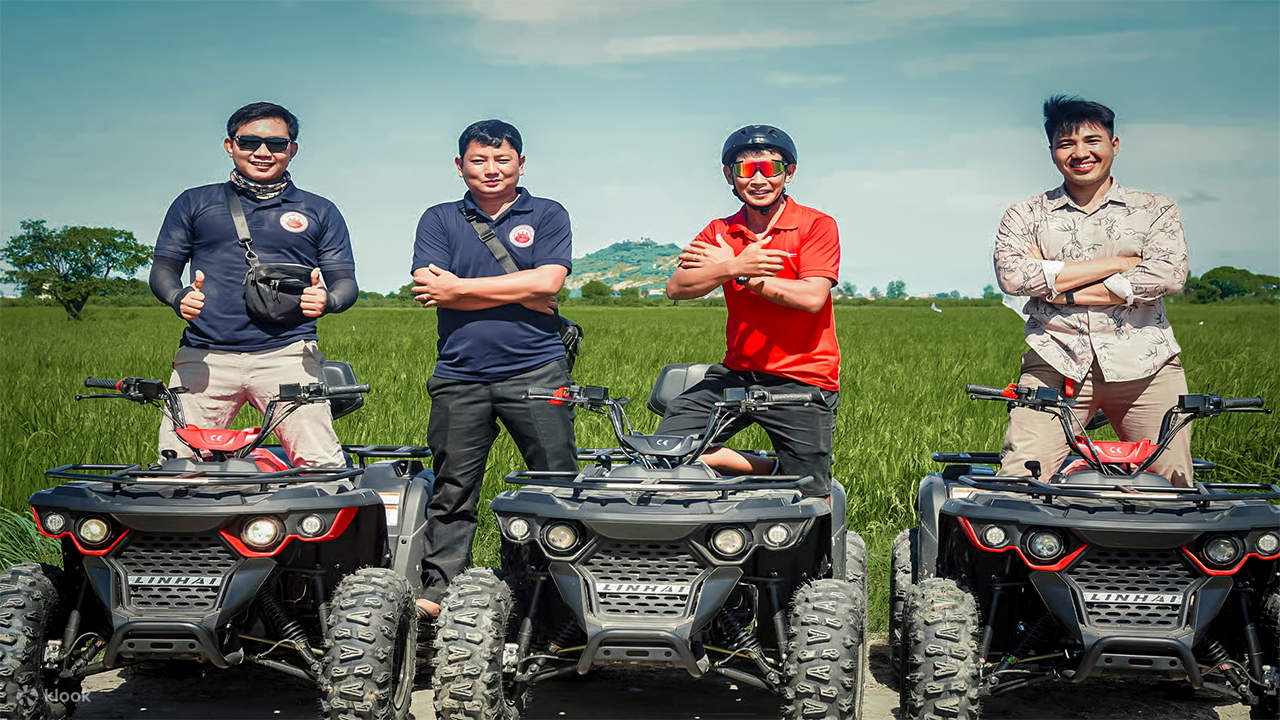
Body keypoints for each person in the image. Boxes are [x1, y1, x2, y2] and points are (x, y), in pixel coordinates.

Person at [411, 119, 576, 617]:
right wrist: (519, 288)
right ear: (459, 165)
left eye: (502, 159)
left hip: (537, 371)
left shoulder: (547, 213)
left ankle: (545, 595)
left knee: (554, 485)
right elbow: (427, 285)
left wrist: (460, 290)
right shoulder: (439, 218)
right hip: (460, 374)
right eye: (478, 160)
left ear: (521, 164)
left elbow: (549, 284)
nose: (490, 169)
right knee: (453, 489)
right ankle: (438, 593)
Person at [993, 95, 1192, 485]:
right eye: (1067, 144)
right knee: (1019, 479)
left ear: (1113, 146)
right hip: (1055, 363)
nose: (1080, 153)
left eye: (1092, 141)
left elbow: (1168, 275)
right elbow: (1014, 278)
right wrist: (1121, 265)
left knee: (1174, 485)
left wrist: (1056, 285)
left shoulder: (1154, 210)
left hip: (1146, 367)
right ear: (1052, 152)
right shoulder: (1026, 214)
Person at [149, 101, 358, 468]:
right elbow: (163, 270)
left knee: (320, 467)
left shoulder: (319, 210)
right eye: (249, 142)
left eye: (277, 144)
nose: (263, 152)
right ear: (230, 146)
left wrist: (327, 299)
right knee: (177, 470)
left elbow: (346, 282)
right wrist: (177, 296)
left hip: (289, 355)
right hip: (204, 356)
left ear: (292, 149)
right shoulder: (195, 203)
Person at [661, 125, 841, 496]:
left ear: (788, 172)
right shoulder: (720, 231)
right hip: (738, 374)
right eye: (745, 170)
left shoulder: (816, 226)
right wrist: (731, 266)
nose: (758, 179)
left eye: (770, 168)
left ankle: (787, 479)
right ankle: (766, 467)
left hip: (804, 379)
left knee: (806, 490)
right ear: (730, 175)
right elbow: (677, 287)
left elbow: (812, 298)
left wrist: (744, 276)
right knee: (664, 452)